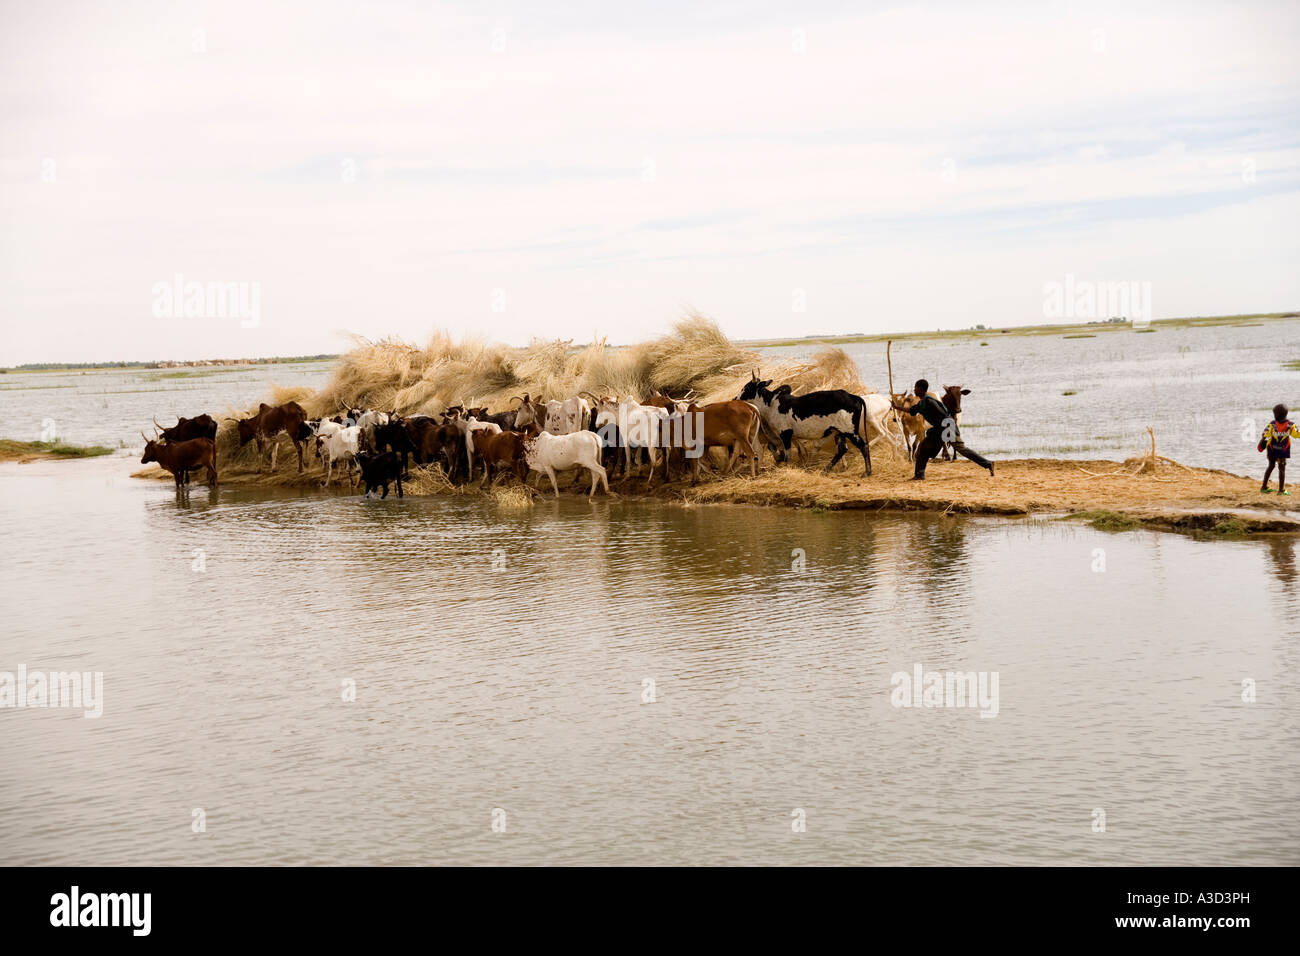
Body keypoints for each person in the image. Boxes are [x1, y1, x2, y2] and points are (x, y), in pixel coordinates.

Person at [891, 378, 994, 481]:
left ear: (921, 389)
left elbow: (944, 416)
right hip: (939, 430)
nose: (914, 390)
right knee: (923, 448)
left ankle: (988, 464)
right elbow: (911, 410)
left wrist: (946, 434)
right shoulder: (923, 402)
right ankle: (919, 475)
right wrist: (896, 407)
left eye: (915, 388)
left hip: (946, 427)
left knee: (961, 449)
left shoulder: (930, 401)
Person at [1258, 403, 1300, 495]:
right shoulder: (1290, 425)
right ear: (1286, 414)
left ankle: (1264, 487)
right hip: (1282, 451)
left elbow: (1265, 434)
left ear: (1275, 415)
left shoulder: (1272, 424)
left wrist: (1263, 439)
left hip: (1272, 450)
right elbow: (1297, 434)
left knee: (1271, 466)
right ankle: (1281, 490)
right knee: (1282, 469)